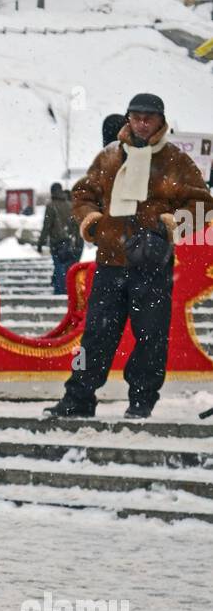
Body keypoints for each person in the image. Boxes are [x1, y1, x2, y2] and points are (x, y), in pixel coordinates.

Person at [47, 92, 213, 420]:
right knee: (94, 335)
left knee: (150, 337)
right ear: (128, 118)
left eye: (148, 118)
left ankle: (142, 399)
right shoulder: (109, 156)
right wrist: (93, 224)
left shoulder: (176, 160)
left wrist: (166, 227)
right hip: (110, 263)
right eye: (136, 117)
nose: (141, 123)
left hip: (152, 266)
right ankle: (78, 395)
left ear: (160, 121)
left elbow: (203, 206)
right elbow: (82, 195)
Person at [37, 181, 82, 294]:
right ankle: (63, 289)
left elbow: (46, 226)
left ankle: (61, 291)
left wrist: (40, 243)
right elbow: (75, 225)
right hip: (69, 241)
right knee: (66, 267)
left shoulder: (51, 206)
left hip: (56, 242)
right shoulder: (70, 205)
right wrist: (75, 239)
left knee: (59, 267)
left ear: (52, 192)